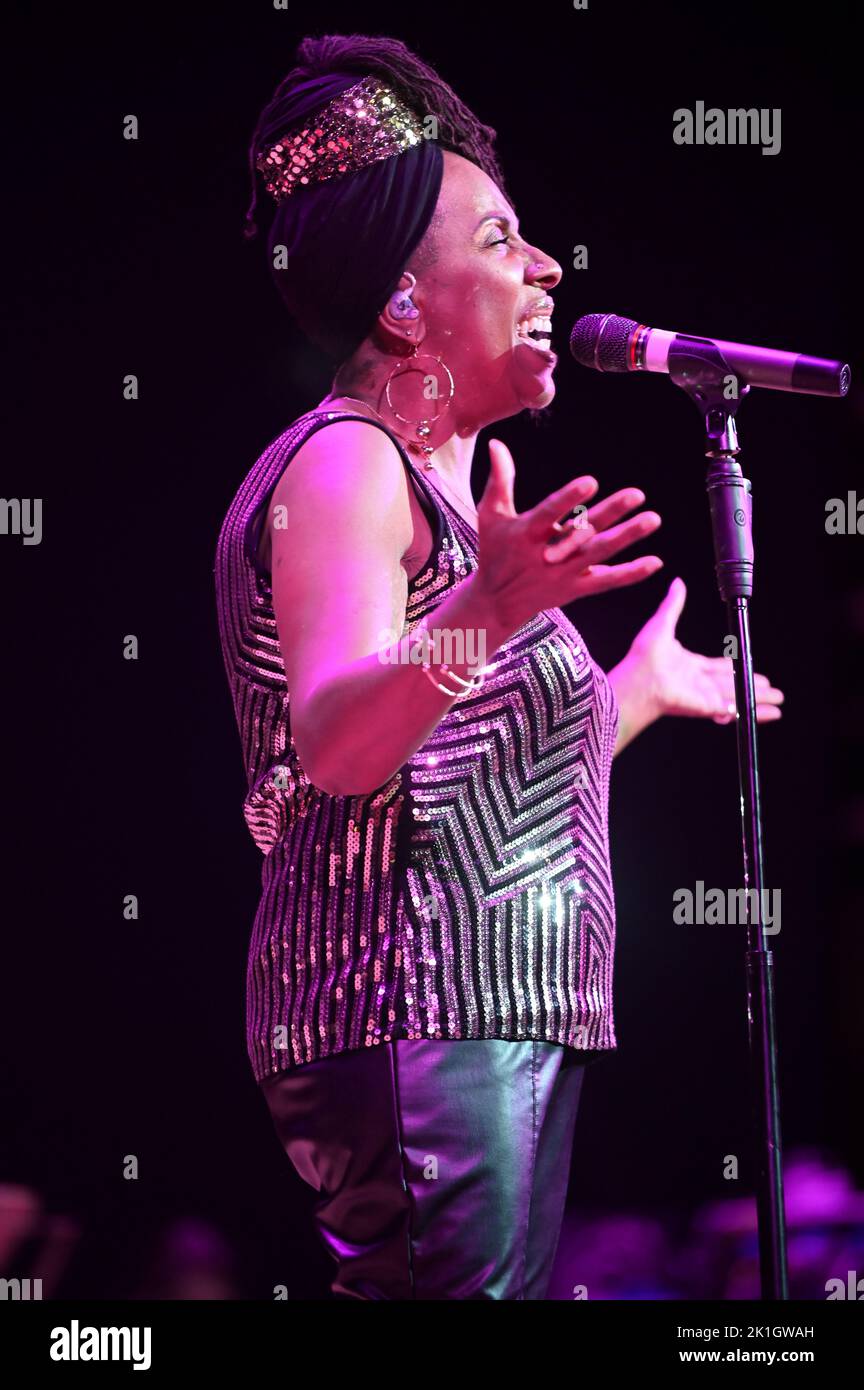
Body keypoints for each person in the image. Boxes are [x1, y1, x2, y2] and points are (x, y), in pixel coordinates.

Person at [214, 33, 784, 1300]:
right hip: (411, 1006)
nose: (544, 267)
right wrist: (497, 598)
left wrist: (628, 694)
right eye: (498, 241)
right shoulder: (348, 460)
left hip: (485, 1012)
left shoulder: (449, 500)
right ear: (401, 303)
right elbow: (343, 741)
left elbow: (448, 754)